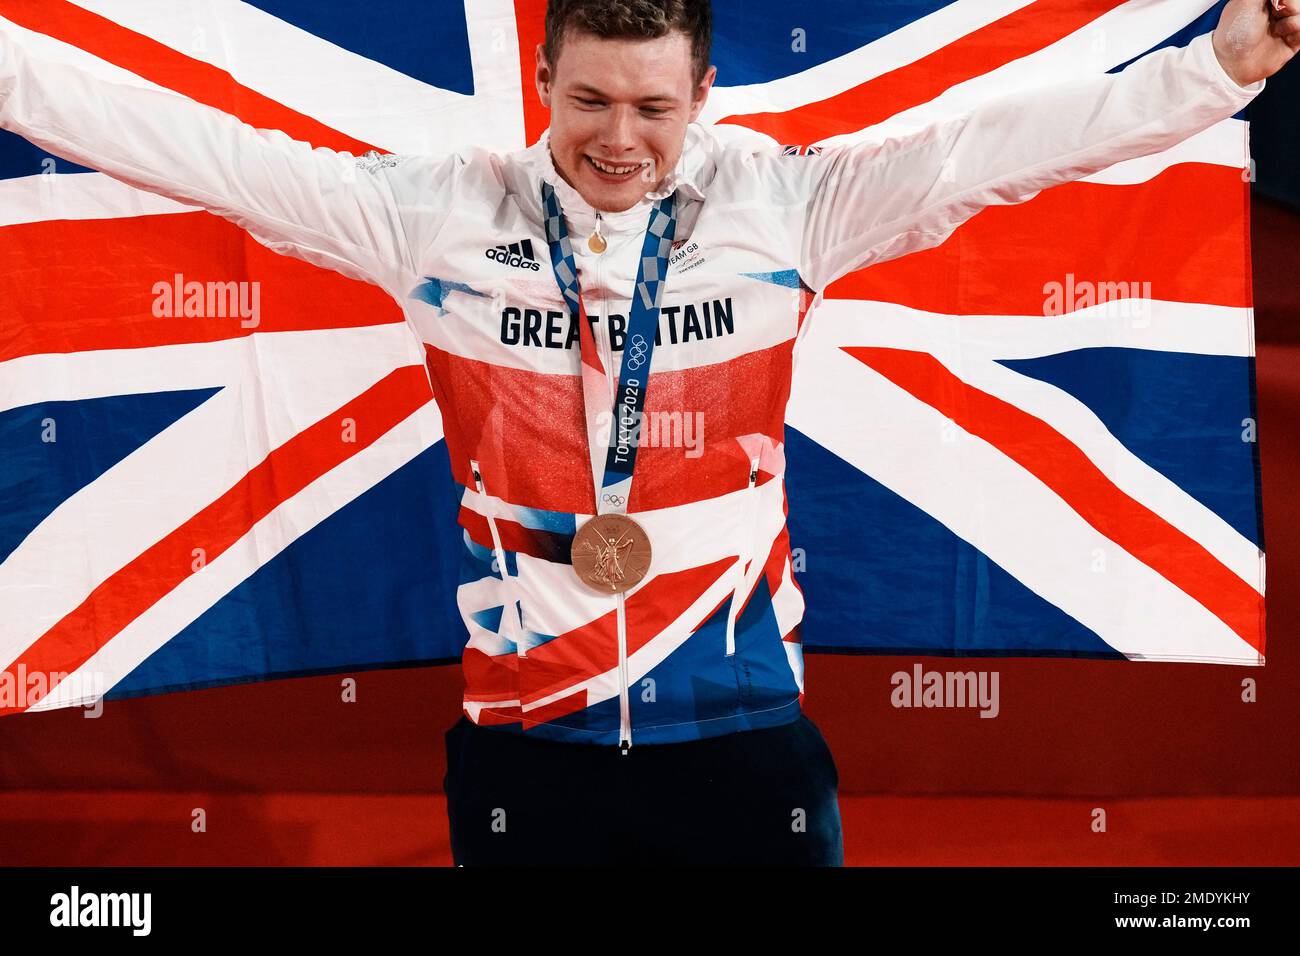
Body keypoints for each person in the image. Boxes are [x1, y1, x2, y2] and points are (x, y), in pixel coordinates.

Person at [0, 0, 1293, 866]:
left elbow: (1003, 149)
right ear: (547, 85)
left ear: (705, 94)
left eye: (653, 107)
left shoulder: (790, 206)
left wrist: (1217, 72)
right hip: (527, 743)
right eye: (591, 102)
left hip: (744, 735)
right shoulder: (433, 219)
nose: (619, 139)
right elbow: (200, 151)